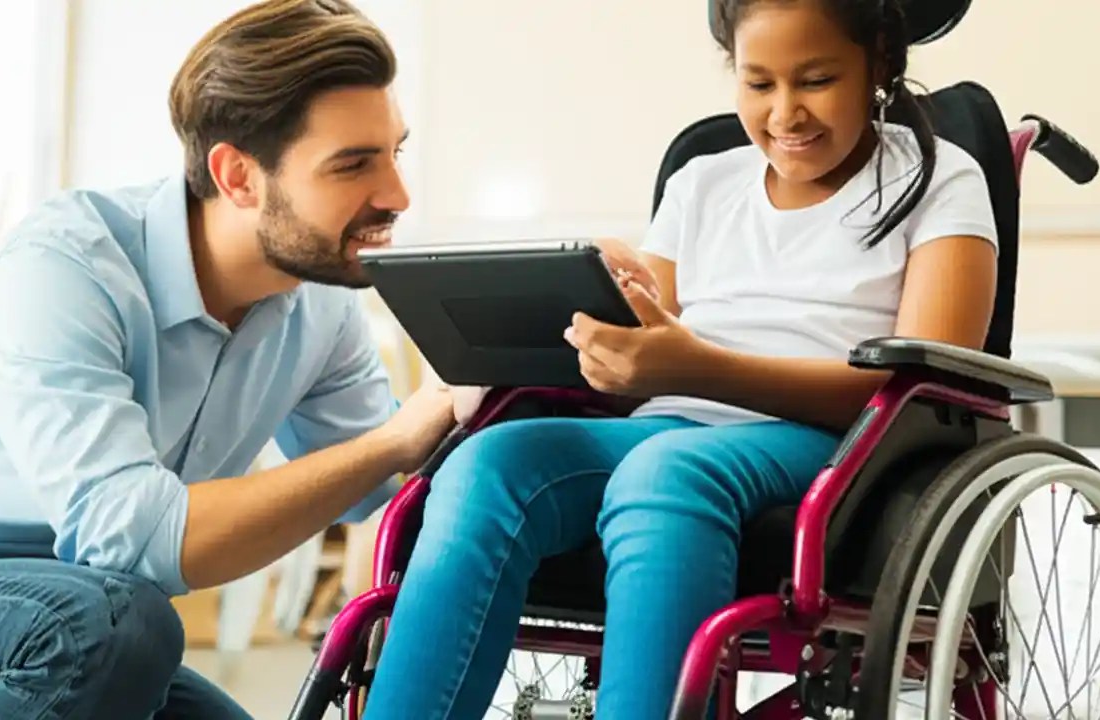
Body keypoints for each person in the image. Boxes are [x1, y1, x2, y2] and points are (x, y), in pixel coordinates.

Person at [0, 1, 482, 718]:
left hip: (75, 614)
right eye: (354, 164)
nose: (396, 194)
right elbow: (129, 537)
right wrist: (392, 440)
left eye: (394, 153)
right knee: (122, 626)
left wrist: (510, 370)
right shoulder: (67, 262)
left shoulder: (319, 306)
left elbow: (367, 481)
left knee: (117, 627)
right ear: (238, 177)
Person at [360, 0, 1000, 718]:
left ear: (879, 60)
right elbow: (646, 338)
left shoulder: (942, 181)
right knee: (489, 463)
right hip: (668, 421)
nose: (786, 113)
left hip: (840, 443)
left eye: (815, 80)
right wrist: (598, 302)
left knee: (666, 472)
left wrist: (694, 366)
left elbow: (926, 383)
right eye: (759, 84)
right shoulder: (704, 183)